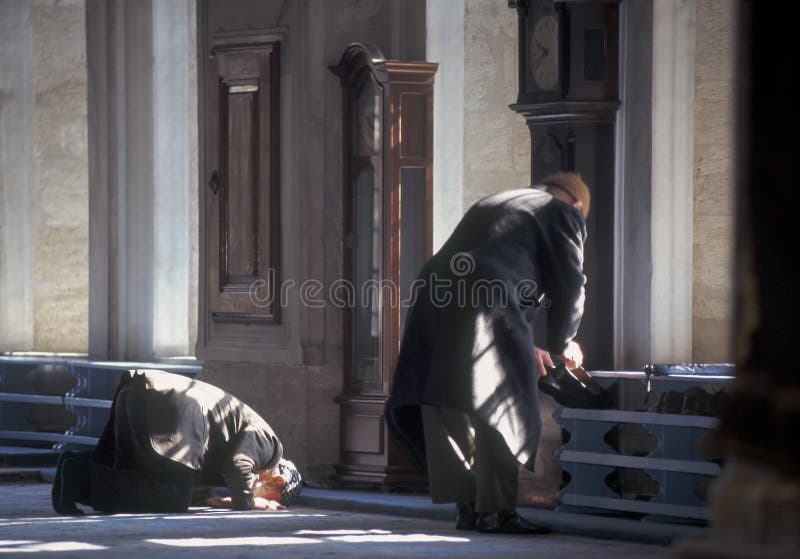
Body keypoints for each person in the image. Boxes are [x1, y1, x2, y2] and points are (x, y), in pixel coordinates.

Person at [385, 172, 590, 534]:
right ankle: (496, 513)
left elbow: (503, 270)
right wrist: (562, 344)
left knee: (444, 396)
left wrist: (529, 342)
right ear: (576, 204)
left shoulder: (499, 201)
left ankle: (467, 509)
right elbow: (570, 284)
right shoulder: (563, 213)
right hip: (486, 299)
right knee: (503, 402)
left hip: (434, 292)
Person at [51, 369, 302, 515]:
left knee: (136, 473)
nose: (269, 502)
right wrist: (248, 502)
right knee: (171, 497)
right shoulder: (271, 446)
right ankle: (79, 480)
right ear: (277, 481)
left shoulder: (255, 435)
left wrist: (219, 500)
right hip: (169, 408)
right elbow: (239, 465)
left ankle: (71, 468)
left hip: (139, 392)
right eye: (273, 498)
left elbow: (211, 470)